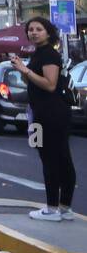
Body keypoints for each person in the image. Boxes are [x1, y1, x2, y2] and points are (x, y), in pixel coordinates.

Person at [11, 17, 77, 221]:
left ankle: (52, 208)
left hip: (50, 114)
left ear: (48, 33)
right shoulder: (38, 53)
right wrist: (22, 69)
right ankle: (64, 208)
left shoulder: (49, 54)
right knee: (59, 158)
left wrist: (26, 70)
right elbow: (31, 82)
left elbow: (50, 84)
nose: (33, 32)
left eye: (39, 29)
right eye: (30, 29)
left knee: (51, 159)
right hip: (42, 113)